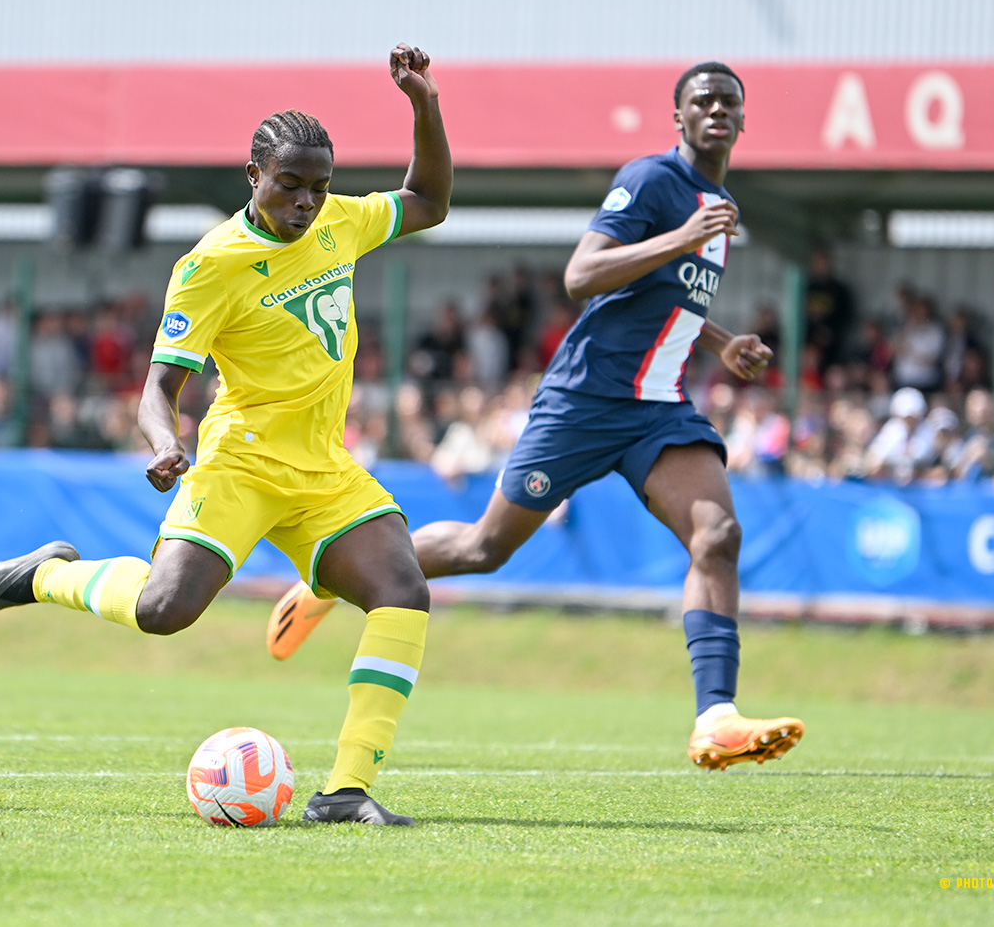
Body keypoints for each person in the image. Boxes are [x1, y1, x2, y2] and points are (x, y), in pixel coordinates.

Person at [0, 43, 451, 825]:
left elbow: (428, 200)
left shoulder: (342, 222)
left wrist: (422, 103)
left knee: (403, 589)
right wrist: (162, 442)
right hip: (241, 462)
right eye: (290, 184)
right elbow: (159, 386)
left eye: (318, 187)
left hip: (324, 469)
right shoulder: (209, 265)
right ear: (252, 176)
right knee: (164, 610)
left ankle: (347, 791)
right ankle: (48, 574)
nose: (307, 202)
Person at [268, 60, 803, 772]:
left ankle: (717, 717)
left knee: (718, 534)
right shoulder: (654, 182)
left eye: (728, 102)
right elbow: (584, 276)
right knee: (484, 549)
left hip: (658, 409)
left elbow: (660, 295)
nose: (716, 110)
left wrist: (721, 340)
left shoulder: (715, 206)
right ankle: (329, 577)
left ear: (742, 119)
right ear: (677, 117)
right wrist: (683, 236)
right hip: (585, 399)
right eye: (701, 100)